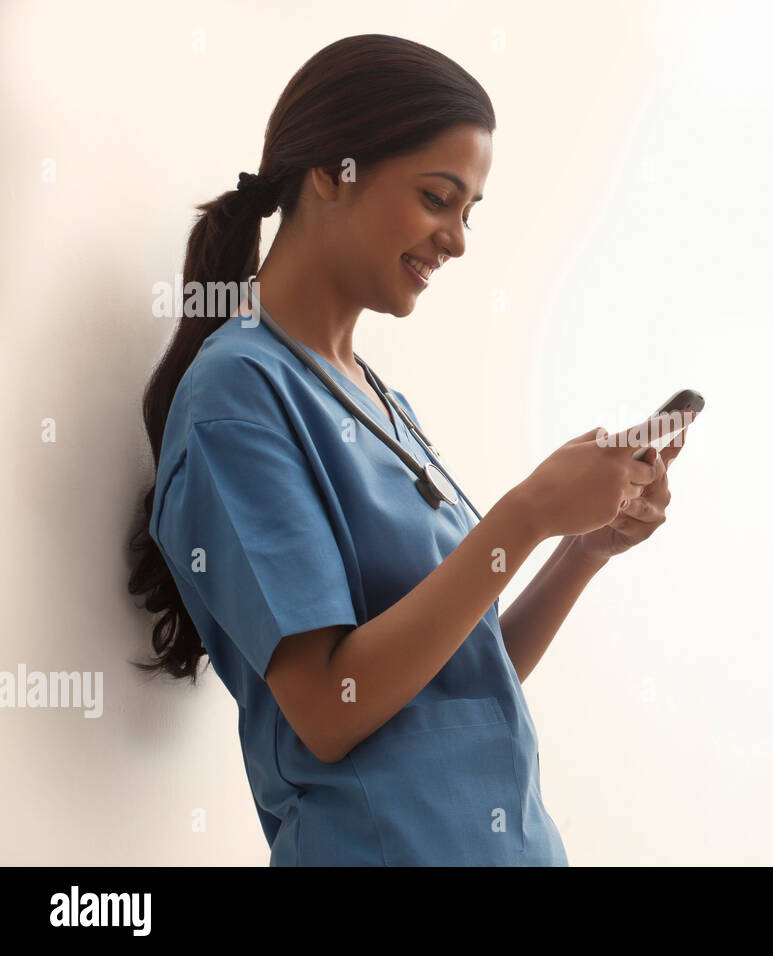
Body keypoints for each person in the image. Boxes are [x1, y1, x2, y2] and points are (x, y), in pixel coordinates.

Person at [125, 34, 690, 866]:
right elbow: (328, 706)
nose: (457, 239)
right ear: (330, 173)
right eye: (437, 198)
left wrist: (580, 549)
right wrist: (526, 512)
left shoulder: (377, 399)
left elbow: (460, 679)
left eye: (469, 212)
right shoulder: (237, 399)